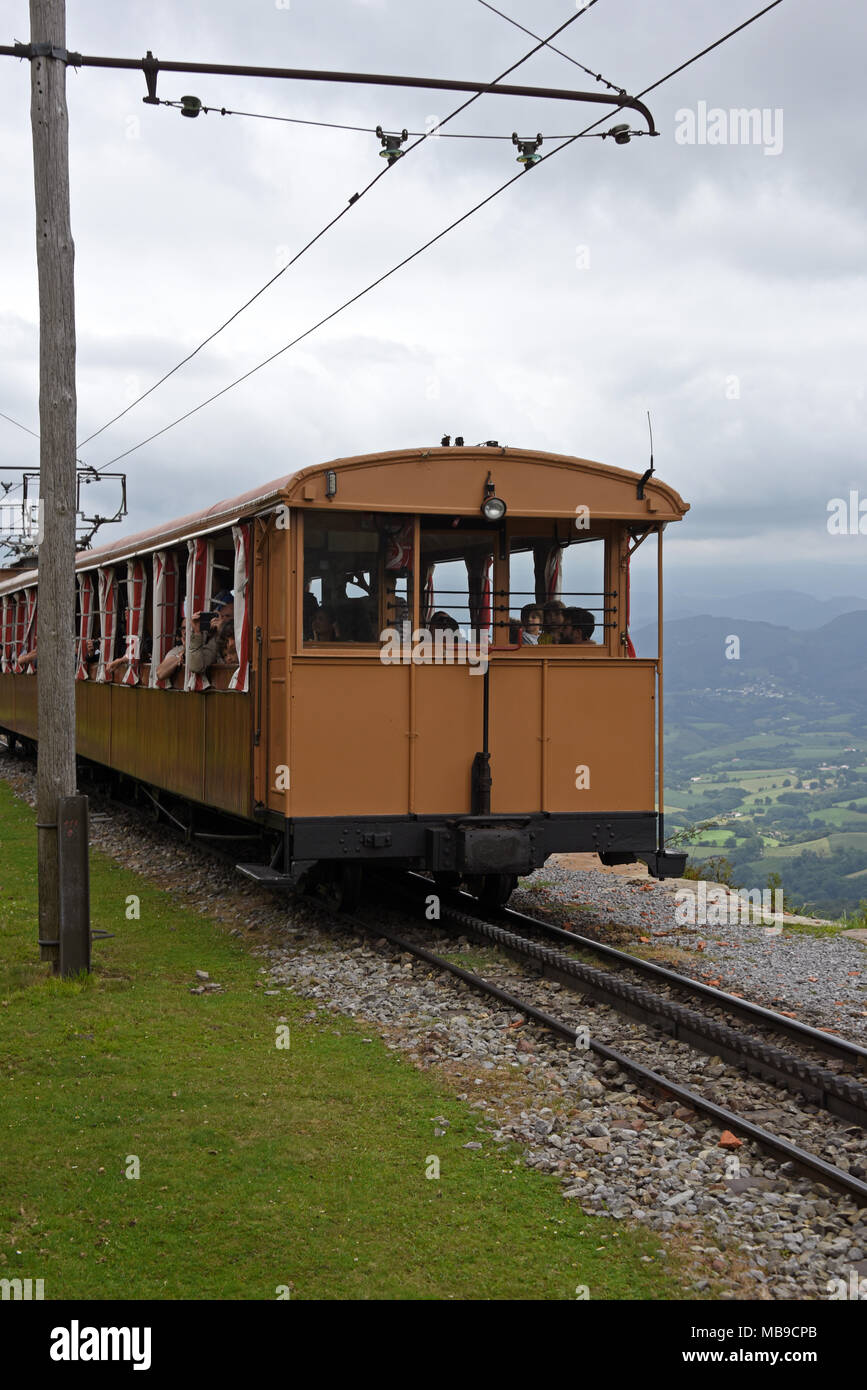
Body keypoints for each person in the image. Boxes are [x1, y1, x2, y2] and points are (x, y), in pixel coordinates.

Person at [190, 591, 234, 674]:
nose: (222, 619)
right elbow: (196, 667)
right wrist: (197, 633)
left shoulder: (240, 636)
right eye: (220, 616)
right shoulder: (216, 638)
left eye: (227, 616)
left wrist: (223, 630)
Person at [155, 618, 186, 683]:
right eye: (183, 628)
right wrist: (181, 655)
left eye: (189, 628)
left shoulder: (205, 646)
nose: (185, 632)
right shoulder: (177, 649)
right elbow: (160, 673)